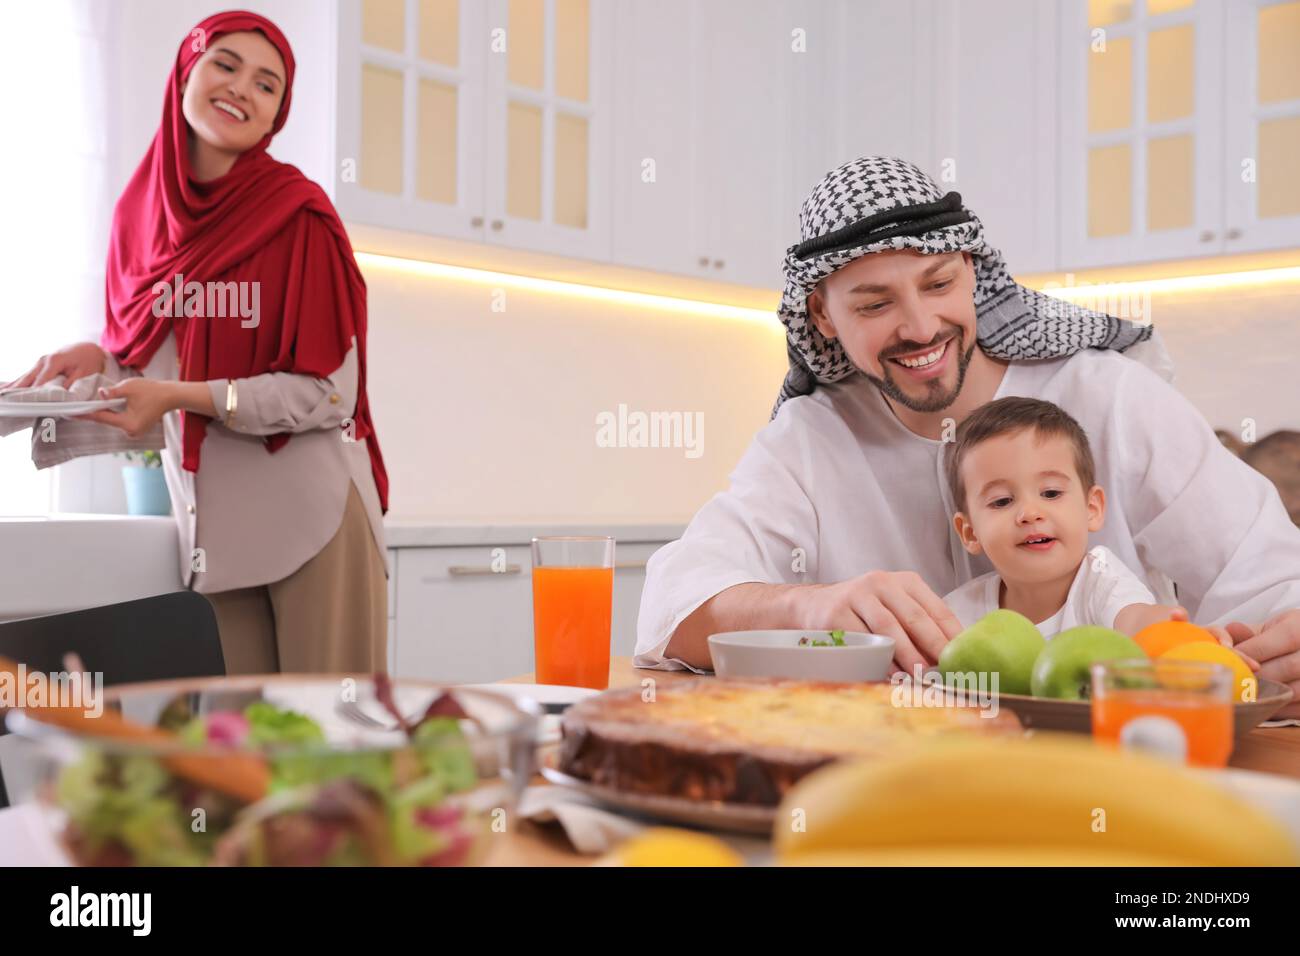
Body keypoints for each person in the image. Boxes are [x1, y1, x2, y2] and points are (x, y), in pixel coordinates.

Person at [634, 157, 1300, 717]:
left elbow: (1269, 577)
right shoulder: (808, 441)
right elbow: (673, 608)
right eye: (874, 303)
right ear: (823, 317)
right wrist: (810, 607)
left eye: (939, 283)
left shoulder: (1110, 397)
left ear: (973, 273)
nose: (921, 327)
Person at [3, 11, 389, 675]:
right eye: (226, 64)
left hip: (314, 519)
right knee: (237, 753)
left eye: (268, 84)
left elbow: (329, 394)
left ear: (277, 116)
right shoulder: (139, 213)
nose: (243, 88)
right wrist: (104, 356)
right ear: (187, 71)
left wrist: (177, 394)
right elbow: (173, 350)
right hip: (214, 531)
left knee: (331, 750)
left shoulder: (297, 214)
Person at [942, 397, 1251, 665]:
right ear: (969, 532)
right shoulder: (960, 612)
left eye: (1050, 493)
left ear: (1092, 508)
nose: (1030, 514)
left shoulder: (1101, 581)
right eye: (1002, 501)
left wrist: (1185, 640)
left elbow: (1138, 619)